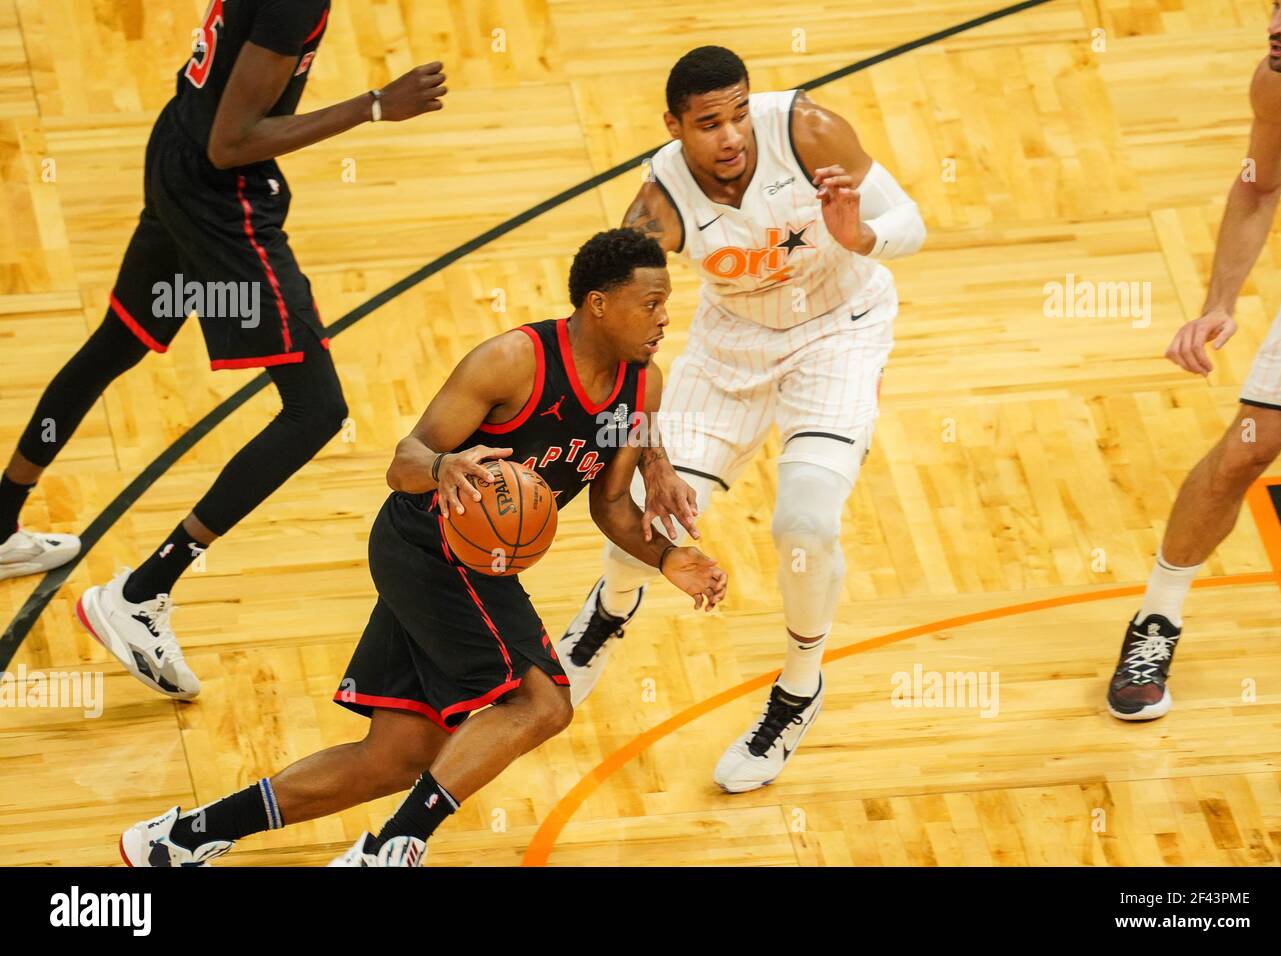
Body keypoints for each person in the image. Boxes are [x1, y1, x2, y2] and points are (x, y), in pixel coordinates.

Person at [120, 228, 727, 866]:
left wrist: (666, 557)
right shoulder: (512, 361)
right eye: (651, 303)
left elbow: (608, 503)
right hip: (426, 537)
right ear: (598, 304)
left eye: (666, 303)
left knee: (394, 758)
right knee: (542, 701)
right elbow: (404, 460)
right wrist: (443, 469)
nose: (665, 317)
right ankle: (390, 848)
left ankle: (180, 837)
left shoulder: (642, 385)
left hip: (476, 563)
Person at [0, 0, 448, 701]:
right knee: (314, 409)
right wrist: (375, 107)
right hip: (221, 193)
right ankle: (141, 593)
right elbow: (232, 142)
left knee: (119, 340)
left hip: (178, 151)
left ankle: (2, 518)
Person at [555, 45, 925, 793]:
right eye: (707, 123)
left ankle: (797, 691)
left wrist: (860, 236)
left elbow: (909, 221)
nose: (729, 137)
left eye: (737, 115)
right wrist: (651, 457)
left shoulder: (808, 131)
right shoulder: (658, 207)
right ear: (674, 126)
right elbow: (616, 334)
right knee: (643, 513)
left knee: (806, 525)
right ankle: (608, 612)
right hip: (732, 350)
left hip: (839, 332)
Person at [1108, 8, 1281, 720]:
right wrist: (1218, 302)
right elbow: (1257, 186)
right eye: (1277, 4)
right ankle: (1156, 622)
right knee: (1240, 457)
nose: (1277, 23)